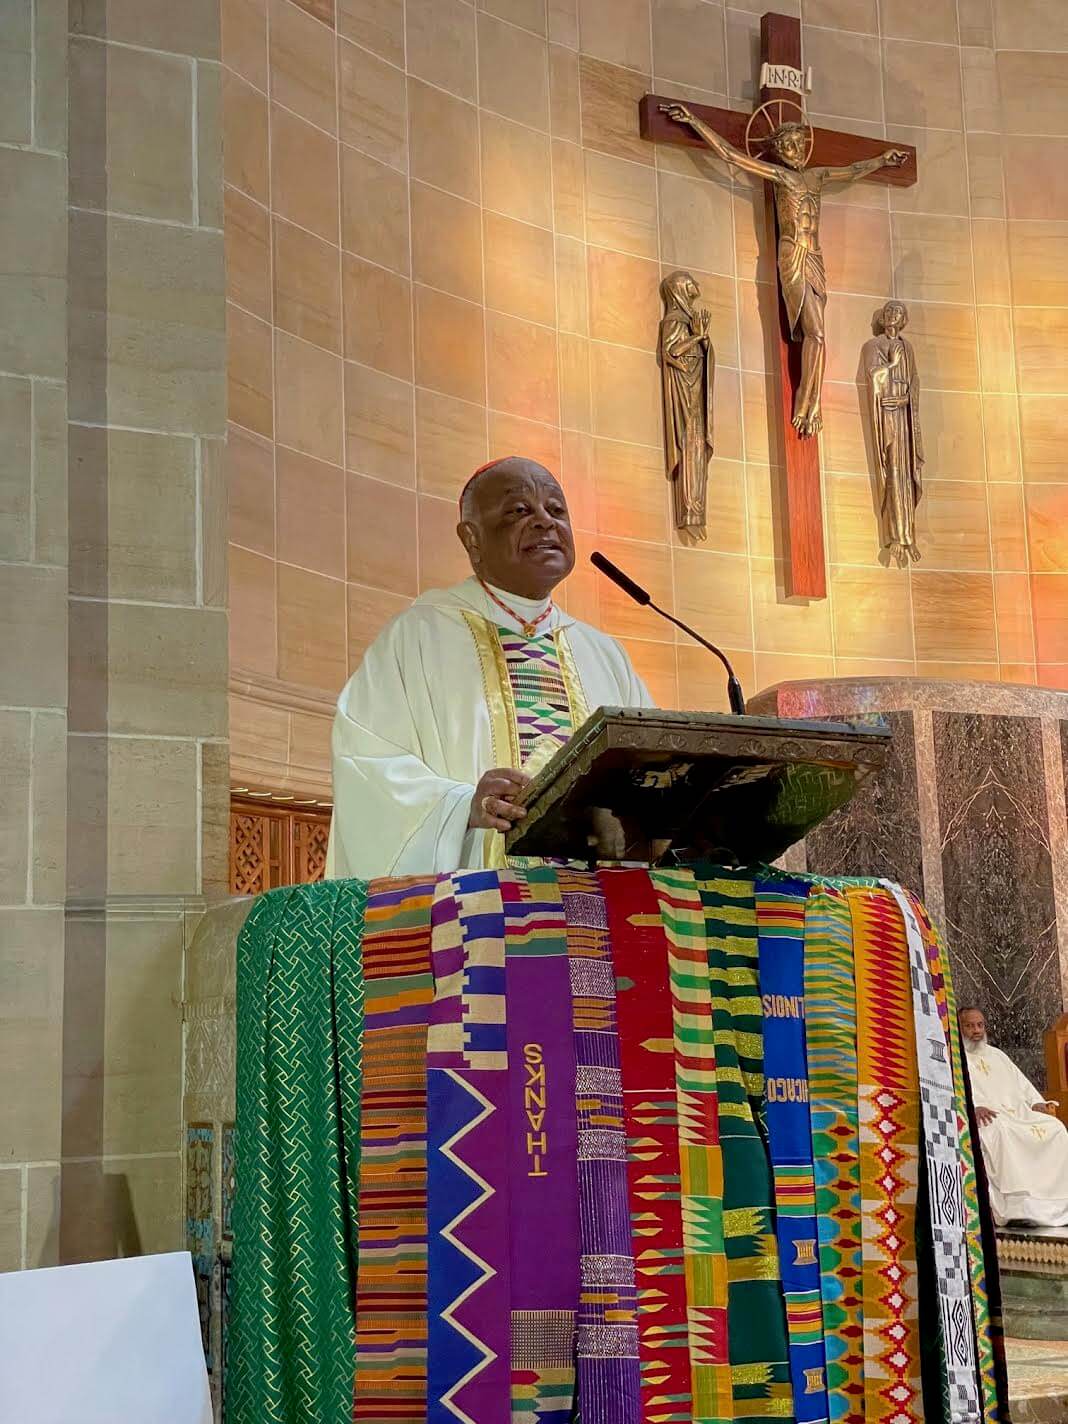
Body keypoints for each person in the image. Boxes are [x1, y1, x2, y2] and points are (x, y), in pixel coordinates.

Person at [326, 456, 653, 878]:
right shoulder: (419, 636)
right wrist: (462, 805)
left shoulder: (604, 654)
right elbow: (367, 765)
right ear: (472, 539)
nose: (544, 522)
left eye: (556, 510)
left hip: (598, 903)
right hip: (477, 912)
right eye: (519, 510)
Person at [959, 1006, 1068, 1228]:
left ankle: (1060, 1201)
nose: (976, 1030)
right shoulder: (957, 1058)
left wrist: (1036, 1101)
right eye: (969, 1026)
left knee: (1055, 1128)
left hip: (1018, 1113)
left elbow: (1022, 1084)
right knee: (1001, 1131)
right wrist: (975, 1107)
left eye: (980, 1025)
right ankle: (1019, 1206)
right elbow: (957, 1090)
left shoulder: (998, 1055)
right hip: (988, 1117)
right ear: (960, 1028)